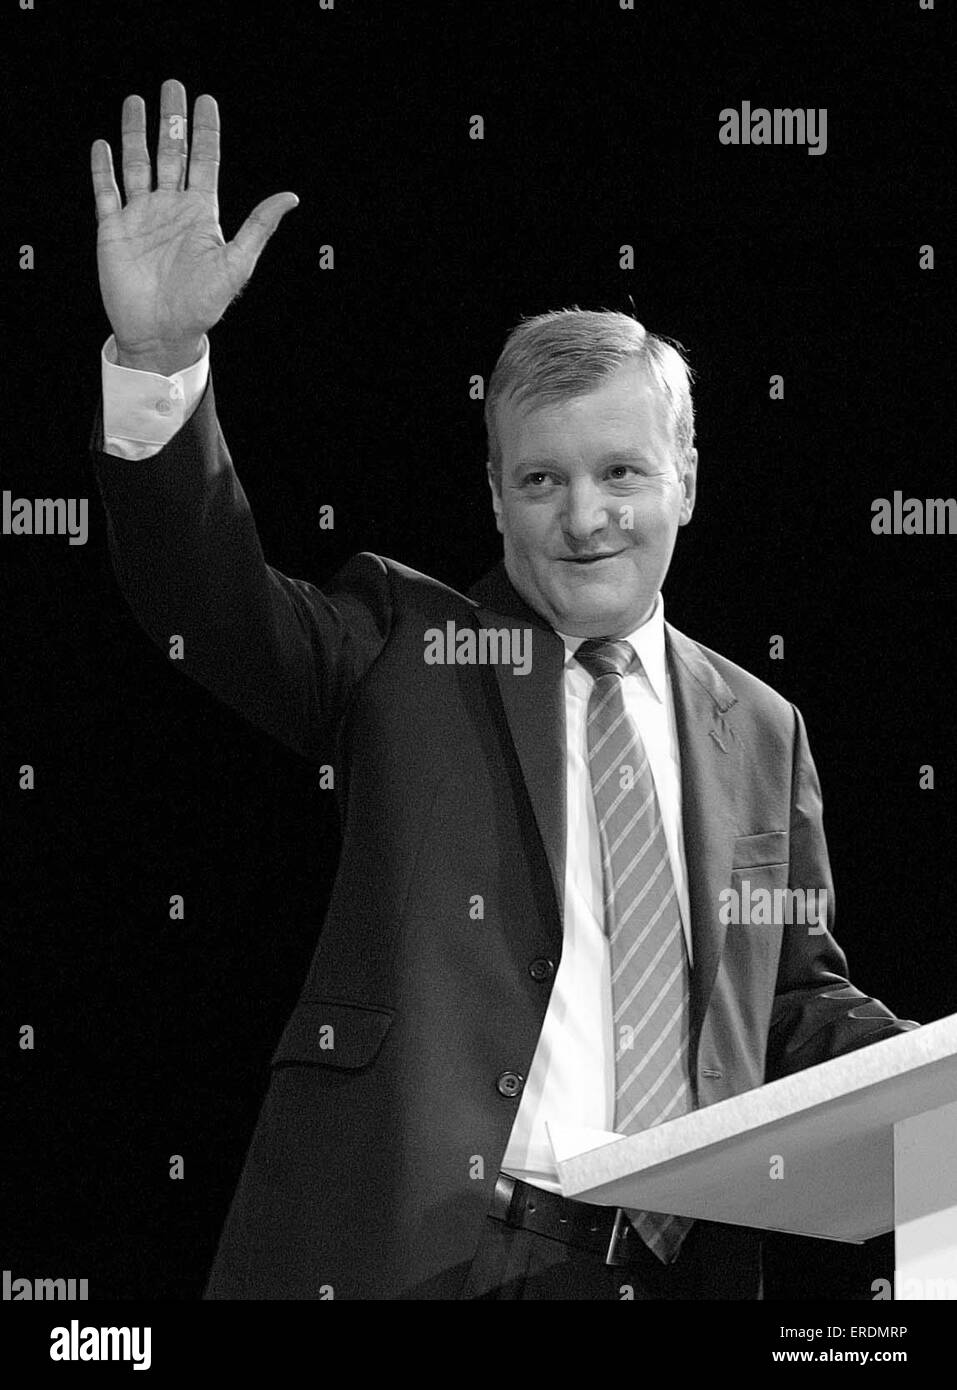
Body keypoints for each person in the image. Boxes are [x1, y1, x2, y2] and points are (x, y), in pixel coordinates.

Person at [88, 81, 919, 1300]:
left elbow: (788, 999)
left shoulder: (763, 729)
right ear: (493, 495)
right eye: (540, 481)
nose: (585, 518)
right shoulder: (405, 638)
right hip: (411, 1252)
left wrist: (931, 1077)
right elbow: (208, 607)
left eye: (621, 470)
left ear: (686, 474)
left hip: (664, 1272)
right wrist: (162, 364)